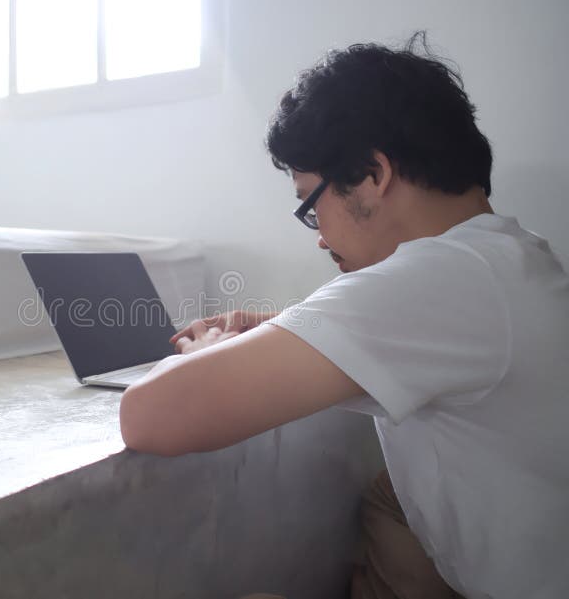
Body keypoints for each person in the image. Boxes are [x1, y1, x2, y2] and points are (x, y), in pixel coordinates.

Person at [119, 32, 569, 599]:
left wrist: (210, 352)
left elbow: (150, 413)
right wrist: (281, 330)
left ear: (373, 175)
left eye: (311, 205)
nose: (319, 238)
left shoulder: (443, 276)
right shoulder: (504, 258)